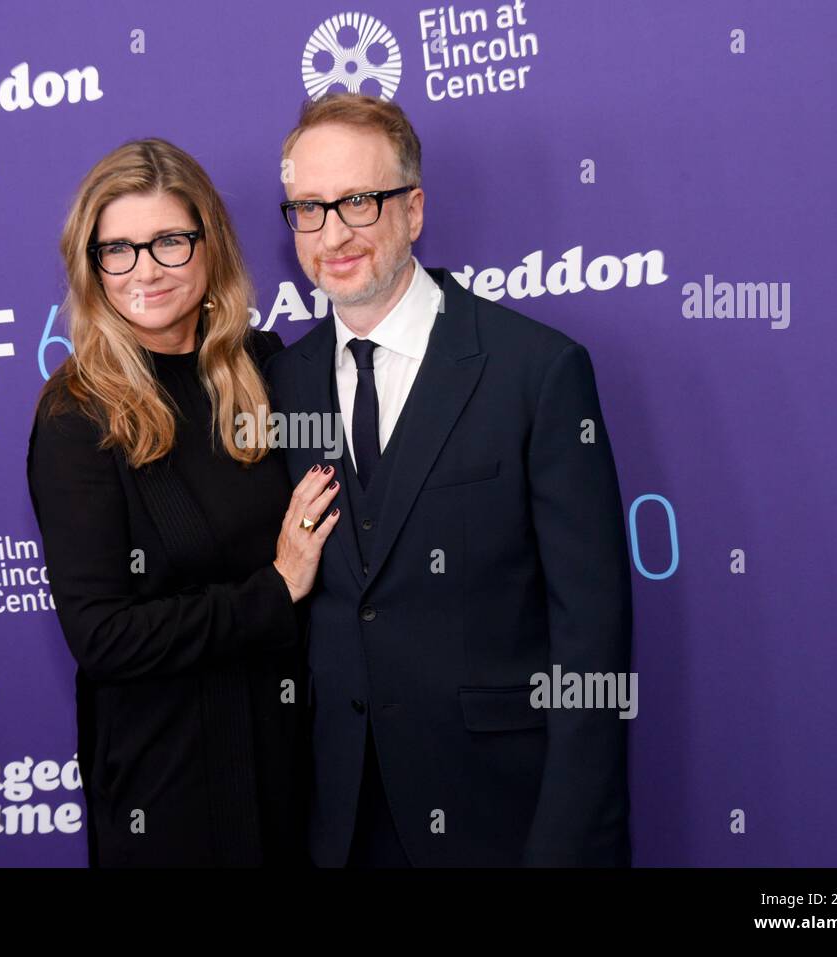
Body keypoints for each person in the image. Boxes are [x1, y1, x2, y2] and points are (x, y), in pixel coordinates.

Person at [266, 94, 634, 867]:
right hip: (335, 824)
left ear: (414, 209)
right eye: (308, 208)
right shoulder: (279, 383)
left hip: (499, 818)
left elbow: (591, 638)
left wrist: (570, 846)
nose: (333, 233)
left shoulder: (535, 371)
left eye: (359, 201)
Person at [26, 138, 341, 866]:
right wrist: (272, 591)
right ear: (91, 266)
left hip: (292, 756)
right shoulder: (77, 417)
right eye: (120, 250)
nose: (146, 270)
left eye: (169, 241)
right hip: (168, 784)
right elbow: (103, 637)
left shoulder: (264, 368)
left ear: (210, 245)